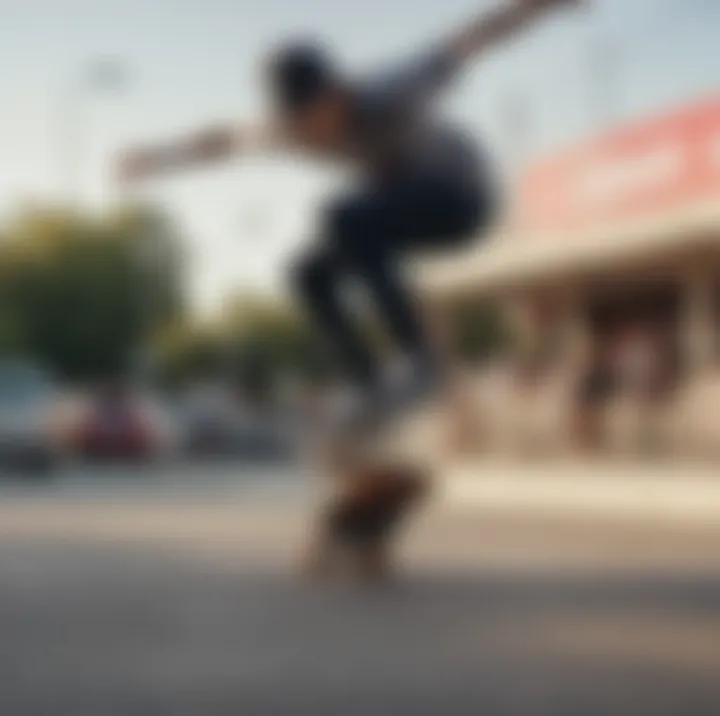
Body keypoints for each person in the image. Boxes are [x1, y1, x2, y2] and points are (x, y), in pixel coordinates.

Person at [120, 0, 579, 428]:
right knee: (307, 273)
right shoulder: (289, 131)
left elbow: (472, 37)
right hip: (398, 211)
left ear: (336, 93)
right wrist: (159, 160)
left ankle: (421, 362)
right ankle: (369, 385)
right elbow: (221, 142)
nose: (311, 133)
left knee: (342, 214)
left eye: (316, 117)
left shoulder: (393, 86)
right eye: (299, 123)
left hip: (462, 197)